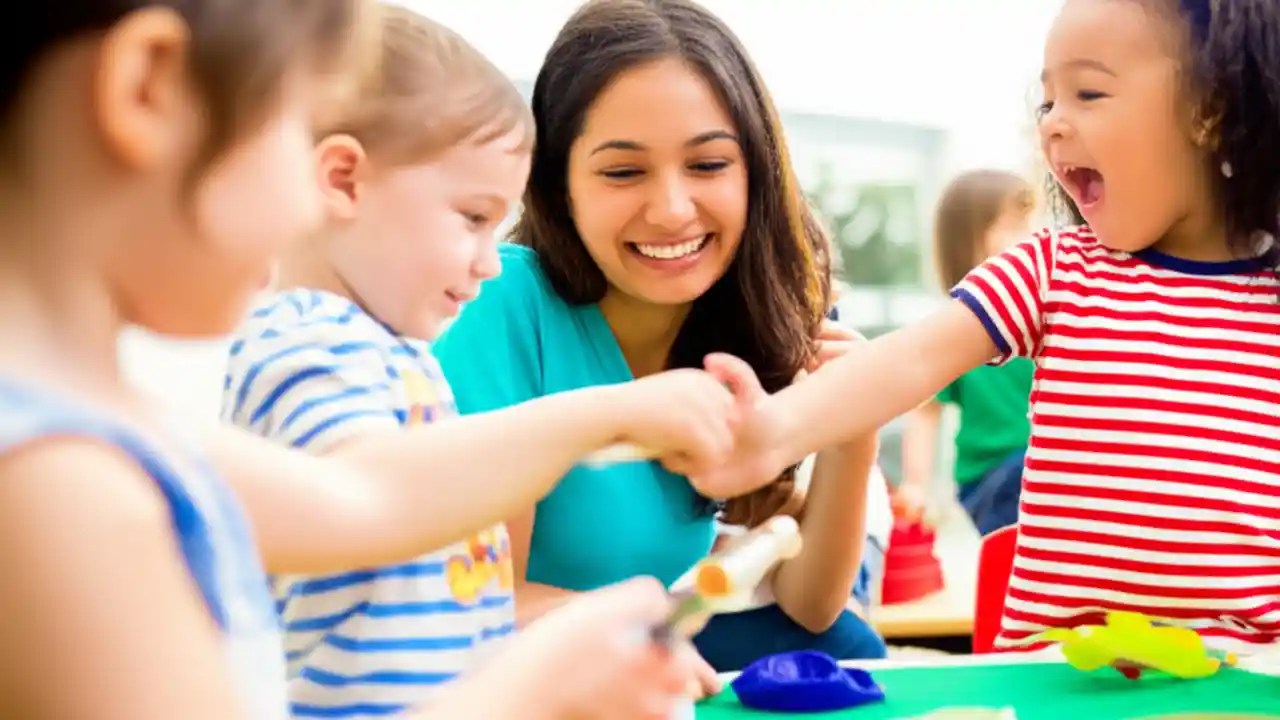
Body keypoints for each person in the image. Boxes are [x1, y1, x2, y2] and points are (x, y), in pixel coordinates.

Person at [0, 2, 761, 718]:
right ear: (147, 88)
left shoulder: (106, 436)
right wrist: (539, 683)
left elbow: (361, 496)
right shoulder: (55, 482)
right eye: (294, 129)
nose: (314, 204)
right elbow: (363, 493)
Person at [699, 0, 1280, 656]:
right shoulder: (1056, 271)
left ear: (1211, 109)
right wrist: (772, 431)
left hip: (1244, 678)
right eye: (1046, 103)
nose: (1054, 125)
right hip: (1054, 674)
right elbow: (909, 361)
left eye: (1088, 93)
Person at [435, 0, 882, 672]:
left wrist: (854, 425)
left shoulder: (748, 316)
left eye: (707, 165)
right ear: (558, 187)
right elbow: (478, 606)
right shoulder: (502, 306)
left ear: (755, 172)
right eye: (623, 171)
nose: (672, 210)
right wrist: (652, 625)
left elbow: (810, 608)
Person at [899, 170, 1036, 535]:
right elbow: (926, 413)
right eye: (1015, 225)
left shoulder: (1044, 315)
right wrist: (916, 483)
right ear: (970, 240)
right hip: (996, 474)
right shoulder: (958, 327)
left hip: (1039, 465)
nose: (1032, 236)